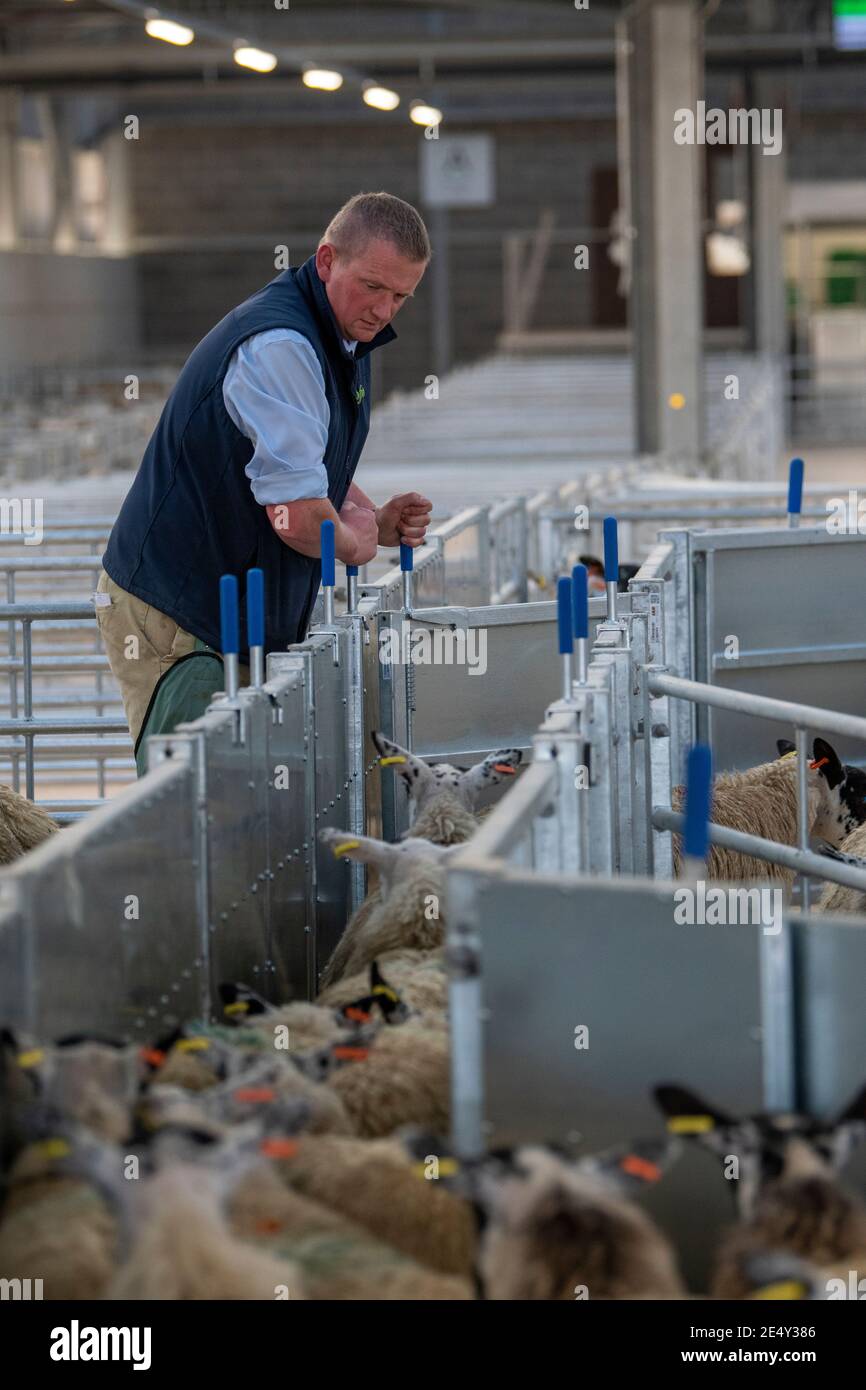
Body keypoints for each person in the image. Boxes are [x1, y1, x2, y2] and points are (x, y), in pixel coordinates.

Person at [95, 192, 433, 751]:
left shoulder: (340, 334)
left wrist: (367, 516)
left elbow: (303, 462)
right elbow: (297, 517)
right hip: (183, 613)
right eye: (373, 286)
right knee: (193, 807)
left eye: (401, 296)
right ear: (327, 261)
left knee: (240, 799)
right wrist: (356, 544)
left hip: (230, 608)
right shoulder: (282, 345)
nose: (384, 309)